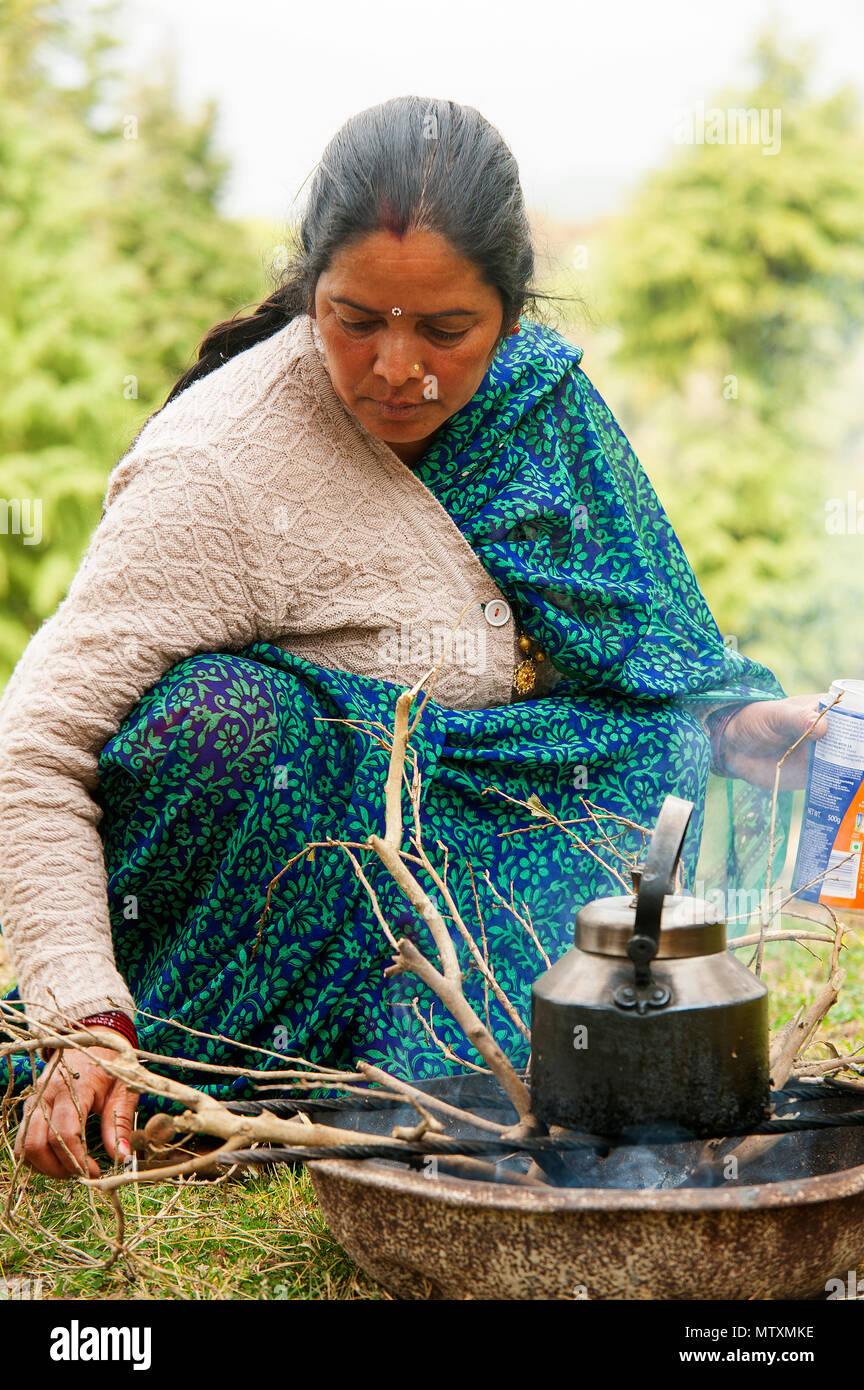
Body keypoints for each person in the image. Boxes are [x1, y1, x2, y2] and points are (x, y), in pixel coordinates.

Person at [0, 96, 826, 1179]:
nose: (398, 369)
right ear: (310, 288)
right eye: (355, 319)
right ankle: (196, 1064)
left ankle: (415, 1064)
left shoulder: (537, 405)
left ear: (511, 314)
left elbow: (640, 656)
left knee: (648, 751)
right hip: (279, 852)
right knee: (236, 723)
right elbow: (37, 745)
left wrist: (747, 725)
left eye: (446, 330)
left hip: (466, 823)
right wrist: (80, 1013)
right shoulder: (218, 469)